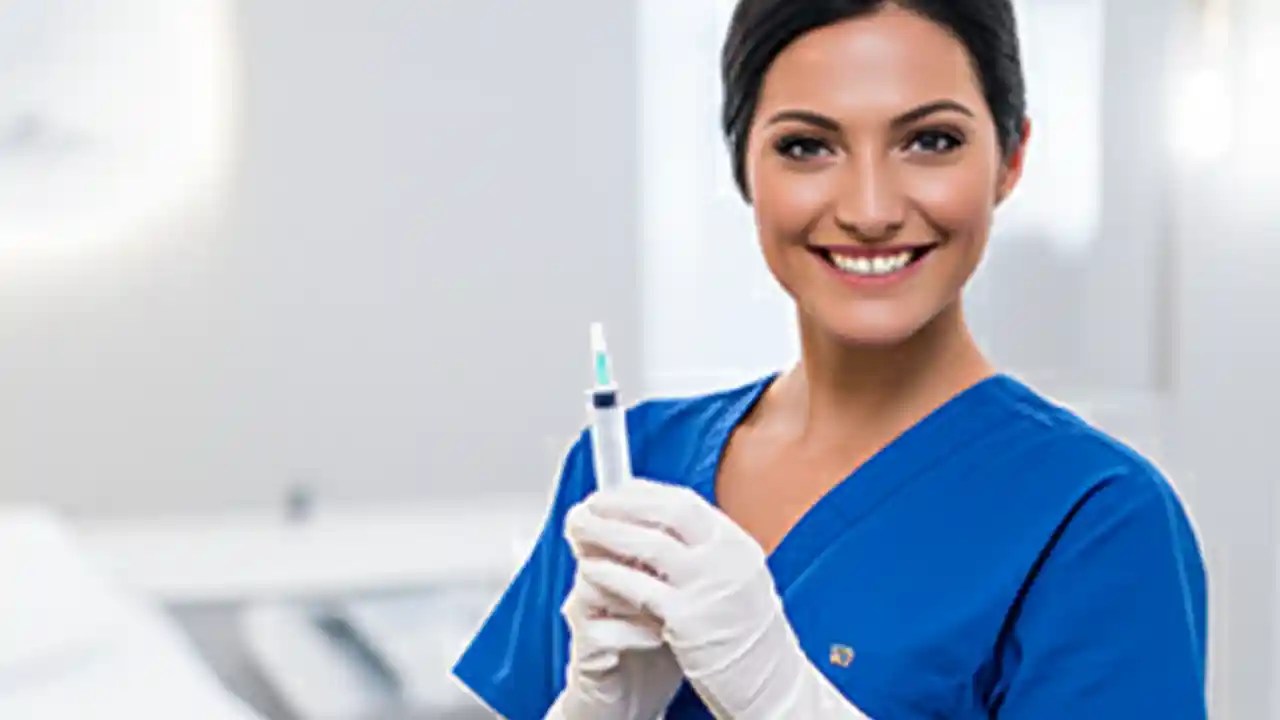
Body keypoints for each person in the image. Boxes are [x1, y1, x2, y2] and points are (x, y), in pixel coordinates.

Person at [452, 1, 1208, 717]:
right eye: (806, 147)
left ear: (1010, 159)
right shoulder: (629, 469)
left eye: (930, 141)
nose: (870, 209)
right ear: (745, 170)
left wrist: (784, 698)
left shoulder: (1096, 520)